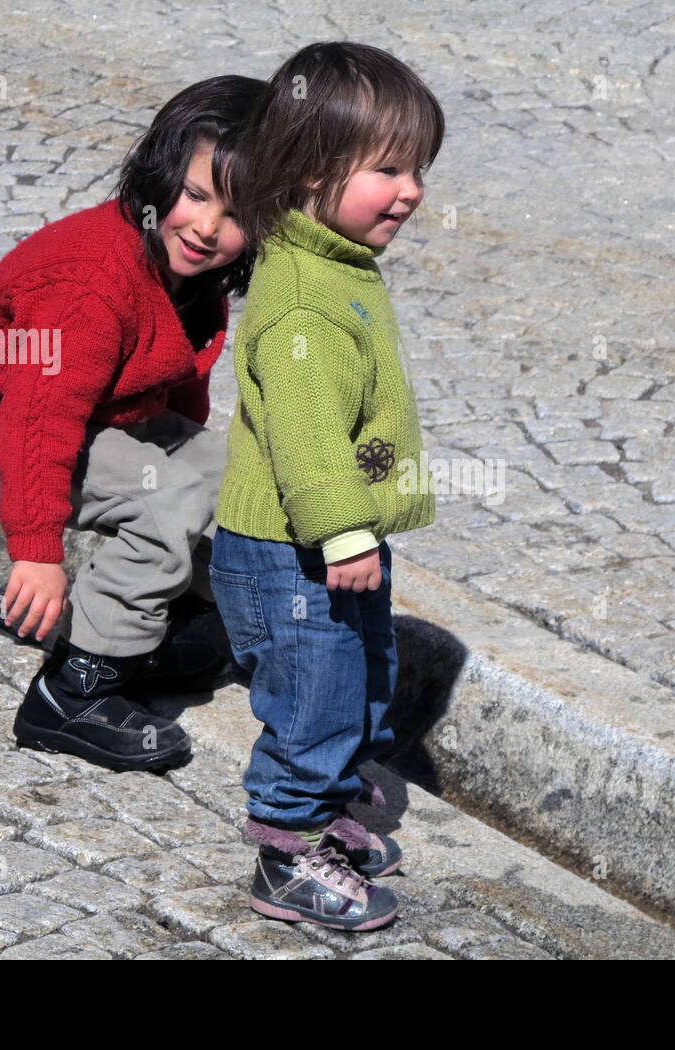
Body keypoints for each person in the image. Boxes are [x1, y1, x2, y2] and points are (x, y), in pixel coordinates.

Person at [0, 75, 270, 773]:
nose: (206, 228)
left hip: (98, 417)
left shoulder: (186, 269)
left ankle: (162, 618)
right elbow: (37, 420)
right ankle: (74, 690)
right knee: (163, 499)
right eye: (196, 195)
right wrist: (37, 554)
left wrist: (183, 448)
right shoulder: (92, 284)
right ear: (161, 172)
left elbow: (180, 386)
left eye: (236, 214)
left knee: (232, 470)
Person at [207, 42, 444, 932]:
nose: (411, 191)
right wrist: (345, 532)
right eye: (387, 169)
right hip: (291, 551)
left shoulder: (334, 262)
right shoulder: (304, 300)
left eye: (416, 168)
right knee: (313, 696)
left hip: (326, 545)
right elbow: (307, 439)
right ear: (311, 170)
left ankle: (330, 808)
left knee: (359, 678)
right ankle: (284, 851)